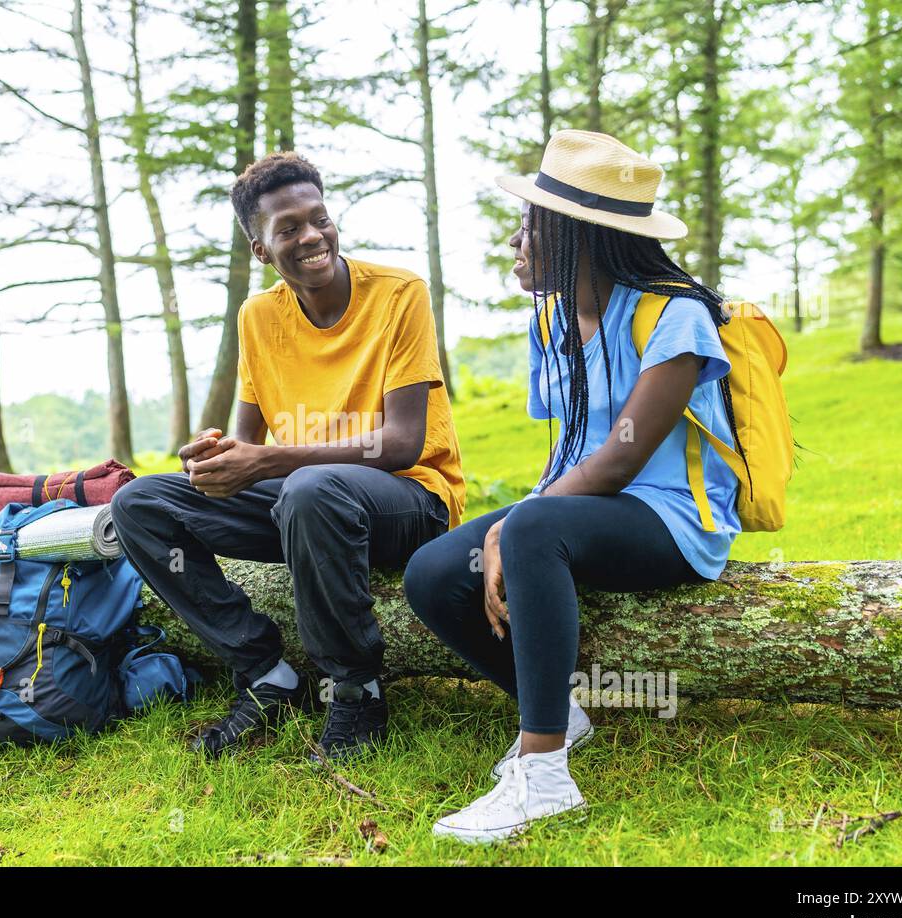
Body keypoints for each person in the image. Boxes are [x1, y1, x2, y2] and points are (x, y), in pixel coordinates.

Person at [404, 129, 744, 843]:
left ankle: (546, 773)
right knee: (434, 571)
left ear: (578, 236)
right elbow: (570, 448)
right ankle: (560, 707)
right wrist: (518, 526)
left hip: (674, 522)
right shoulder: (553, 317)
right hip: (583, 510)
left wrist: (518, 526)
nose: (513, 245)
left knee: (527, 527)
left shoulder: (674, 316)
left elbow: (619, 458)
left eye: (528, 231)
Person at [112, 152, 465, 763]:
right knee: (138, 502)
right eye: (289, 229)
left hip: (409, 503)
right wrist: (214, 458)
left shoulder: (400, 294)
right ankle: (266, 672)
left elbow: (404, 442)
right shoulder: (259, 317)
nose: (311, 237)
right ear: (260, 250)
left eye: (319, 219)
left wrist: (269, 464)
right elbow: (248, 446)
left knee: (311, 488)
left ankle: (356, 688)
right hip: (306, 511)